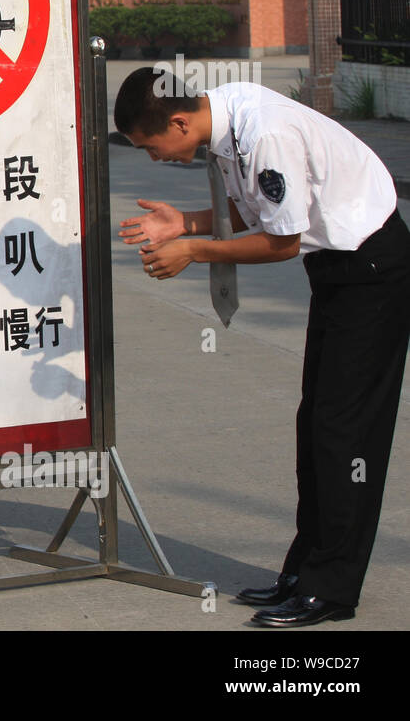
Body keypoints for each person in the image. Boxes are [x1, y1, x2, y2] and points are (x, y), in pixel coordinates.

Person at [114, 67, 409, 628]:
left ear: (179, 121)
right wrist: (184, 223)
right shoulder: (224, 119)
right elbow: (258, 213)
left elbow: (280, 242)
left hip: (372, 267)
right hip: (340, 268)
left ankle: (333, 589)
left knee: (345, 433)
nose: (154, 159)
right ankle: (303, 574)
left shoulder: (263, 131)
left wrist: (195, 250)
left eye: (151, 148)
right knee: (316, 425)